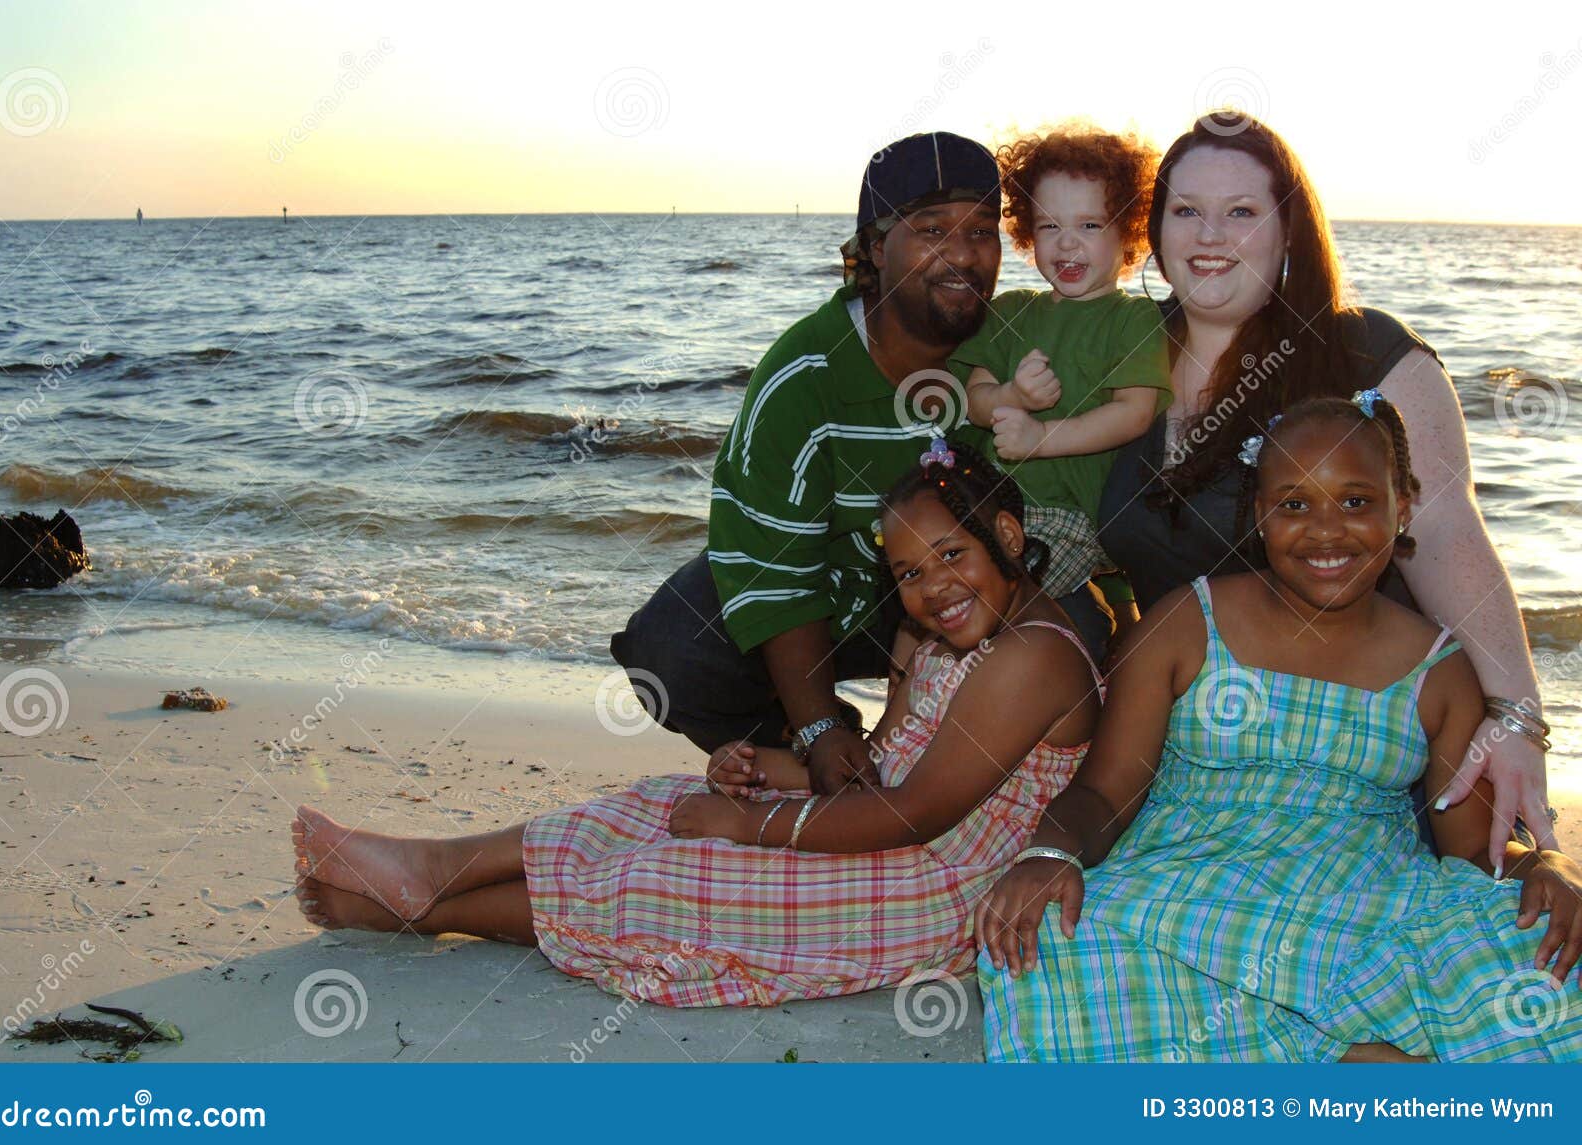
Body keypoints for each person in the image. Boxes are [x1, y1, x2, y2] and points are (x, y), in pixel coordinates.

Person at [291, 445, 1102, 1007]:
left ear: (1006, 536)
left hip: (932, 888)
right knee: (659, 802)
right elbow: (882, 769)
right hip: (893, 834)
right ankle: (430, 863)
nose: (933, 588)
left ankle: (429, 910)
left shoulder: (1033, 655)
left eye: (952, 556)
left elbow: (914, 811)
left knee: (671, 880)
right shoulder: (939, 639)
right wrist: (767, 773)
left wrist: (748, 824)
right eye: (909, 574)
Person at [977, 394, 1582, 1062]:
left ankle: (1294, 1060)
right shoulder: (1186, 622)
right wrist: (1049, 853)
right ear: (1259, 513)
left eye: (1356, 502)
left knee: (1546, 953)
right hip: (1193, 884)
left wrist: (1546, 863)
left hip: (1358, 899)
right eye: (1294, 504)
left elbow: (1470, 851)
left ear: (1401, 508)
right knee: (1046, 939)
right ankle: (1356, 1058)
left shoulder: (1439, 670)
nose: (1327, 531)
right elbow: (1105, 789)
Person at [1097, 112, 1555, 864]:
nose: (1210, 235)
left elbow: (1442, 532)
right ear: (1155, 230)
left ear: (1288, 233)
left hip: (1363, 754)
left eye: (1241, 212)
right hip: (1191, 752)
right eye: (1186, 211)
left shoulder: (1362, 351)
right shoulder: (1116, 354)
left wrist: (1516, 716)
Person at [610, 131, 1006, 799]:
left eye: (984, 231)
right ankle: (817, 755)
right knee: (675, 645)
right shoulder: (803, 375)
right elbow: (770, 566)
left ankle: (954, 756)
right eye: (933, 229)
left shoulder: (1013, 346)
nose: (964, 255)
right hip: (835, 601)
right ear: (878, 249)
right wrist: (819, 726)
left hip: (958, 593)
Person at [952, 124, 1171, 660]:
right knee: (941, 586)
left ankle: (1071, 653)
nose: (1067, 242)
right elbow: (974, 399)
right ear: (1028, 232)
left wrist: (1041, 437)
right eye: (1049, 225)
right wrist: (1012, 397)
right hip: (984, 499)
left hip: (1068, 513)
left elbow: (1134, 412)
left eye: (1090, 224)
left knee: (1018, 604)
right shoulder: (1010, 312)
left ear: (1131, 232)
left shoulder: (1133, 318)